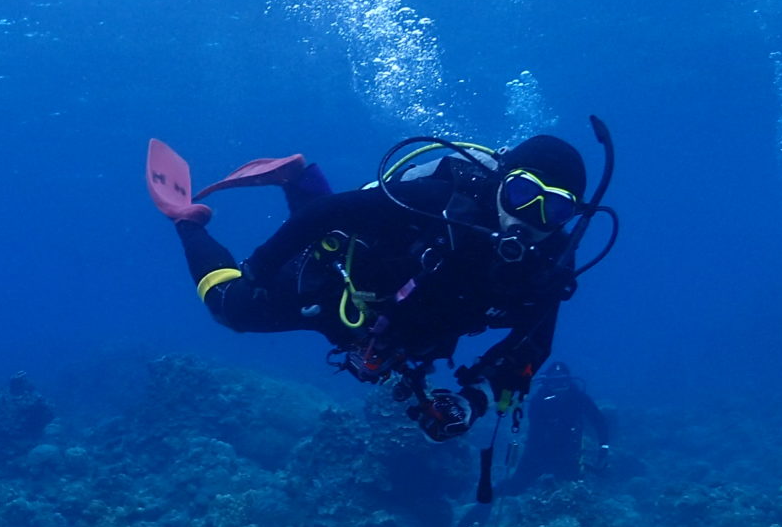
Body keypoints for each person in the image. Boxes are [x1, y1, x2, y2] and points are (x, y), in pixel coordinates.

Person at [148, 131, 609, 445]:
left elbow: (530, 350)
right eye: (520, 194)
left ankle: (299, 178)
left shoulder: (548, 266)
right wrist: (258, 271)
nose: (529, 218)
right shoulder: (438, 203)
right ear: (500, 184)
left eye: (553, 209)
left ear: (571, 218)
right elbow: (326, 216)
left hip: (391, 326)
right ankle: (188, 221)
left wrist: (470, 403)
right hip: (340, 283)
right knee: (231, 309)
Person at [499, 361, 612, 490]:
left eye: (563, 381)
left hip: (569, 452)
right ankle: (487, 499)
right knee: (515, 487)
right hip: (538, 452)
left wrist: (604, 447)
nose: (559, 386)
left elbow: (599, 421)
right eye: (555, 382)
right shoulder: (538, 400)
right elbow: (535, 433)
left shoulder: (579, 398)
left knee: (571, 490)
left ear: (569, 381)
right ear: (547, 383)